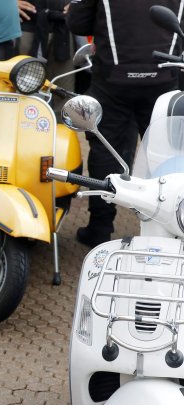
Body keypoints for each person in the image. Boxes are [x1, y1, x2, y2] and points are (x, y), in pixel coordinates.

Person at [67, 0, 184, 248]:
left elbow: (76, 22)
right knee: (167, 157)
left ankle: (99, 227)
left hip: (113, 81)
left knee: (105, 151)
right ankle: (169, 227)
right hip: (163, 77)